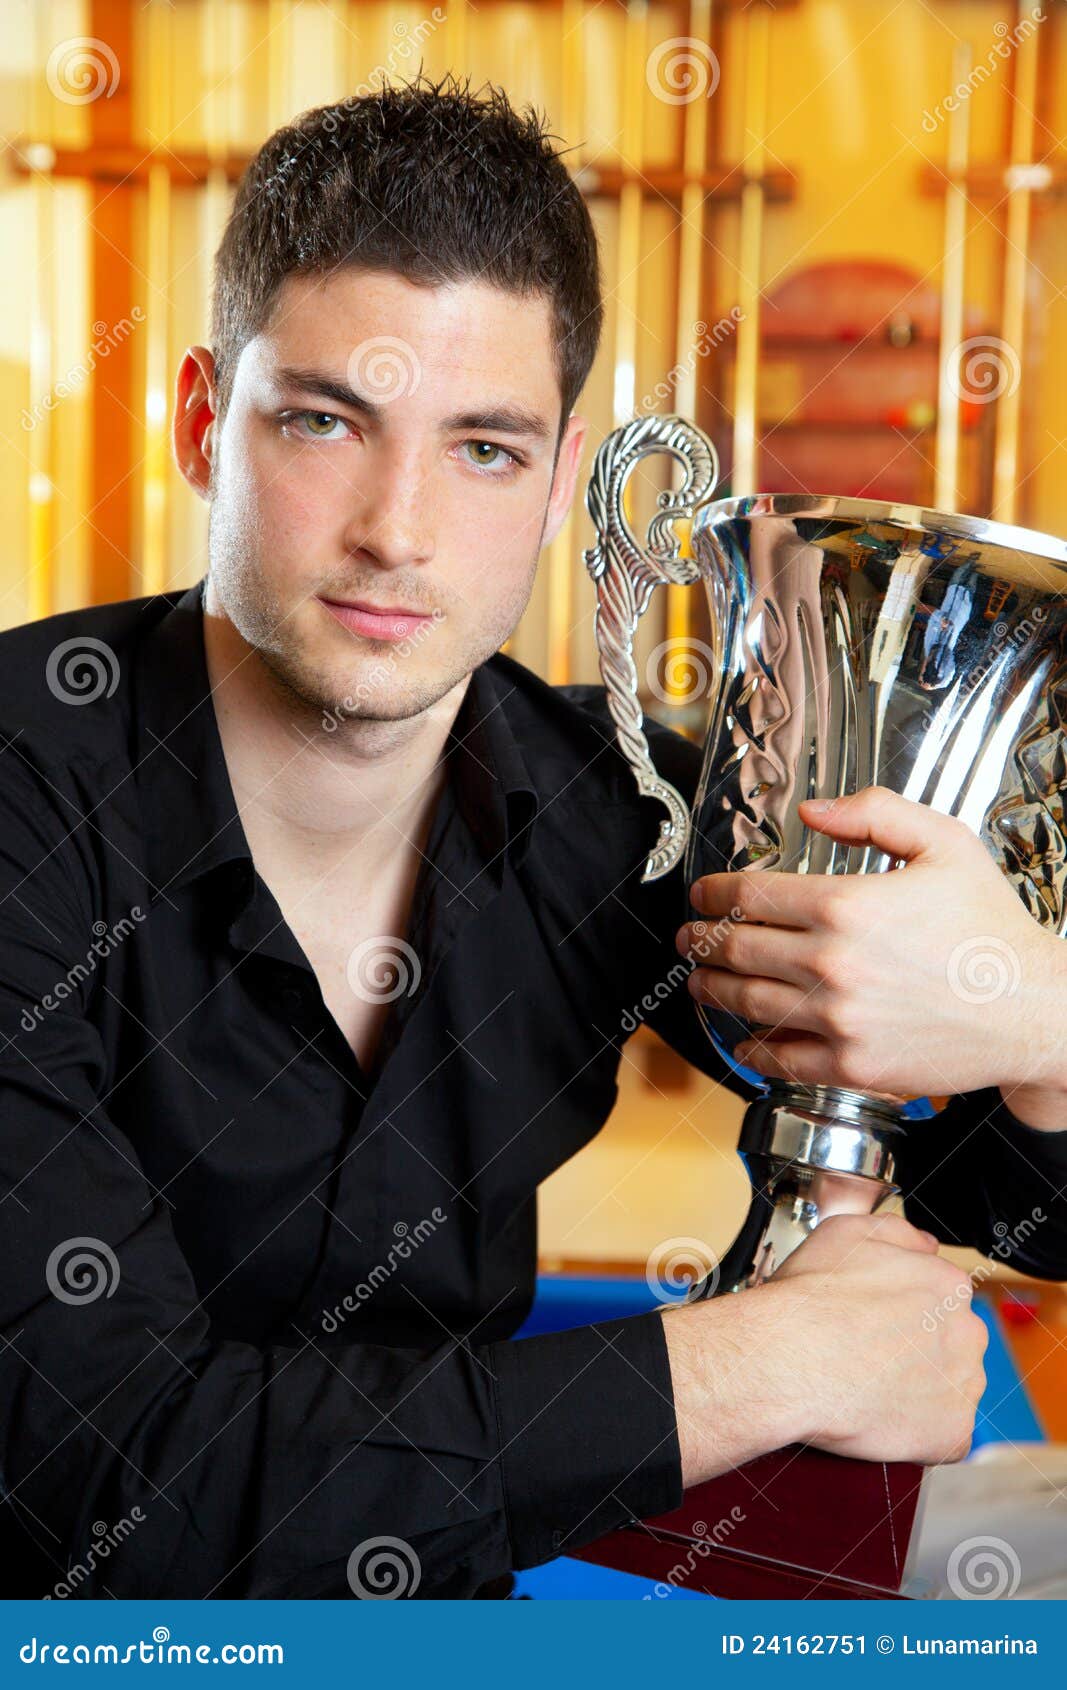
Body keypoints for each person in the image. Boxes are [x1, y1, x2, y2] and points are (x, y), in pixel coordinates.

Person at [0, 72, 1064, 1602]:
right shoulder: (27, 801)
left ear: (566, 482)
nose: (399, 530)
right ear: (197, 425)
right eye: (323, 421)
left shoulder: (609, 809)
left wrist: (1029, 1016)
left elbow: (1015, 1201)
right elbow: (110, 1478)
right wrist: (753, 1366)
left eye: (484, 448)